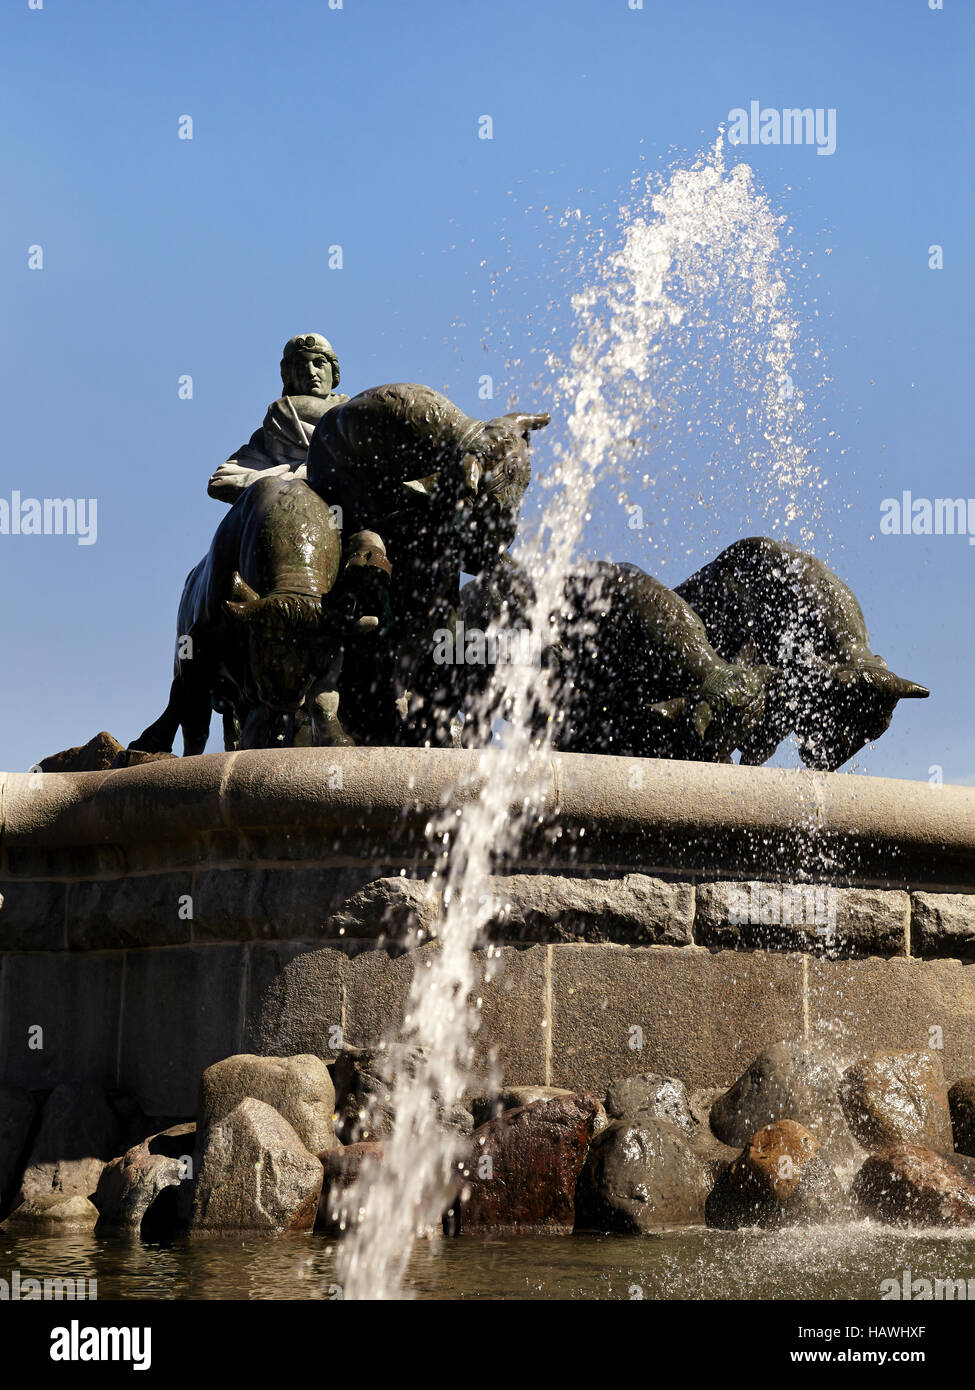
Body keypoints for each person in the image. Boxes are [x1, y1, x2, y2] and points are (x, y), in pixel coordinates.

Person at [207, 333, 348, 502]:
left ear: (334, 370)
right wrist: (293, 478)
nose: (311, 372)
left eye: (318, 363)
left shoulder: (356, 418)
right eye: (301, 366)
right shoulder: (274, 430)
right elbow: (220, 482)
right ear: (288, 375)